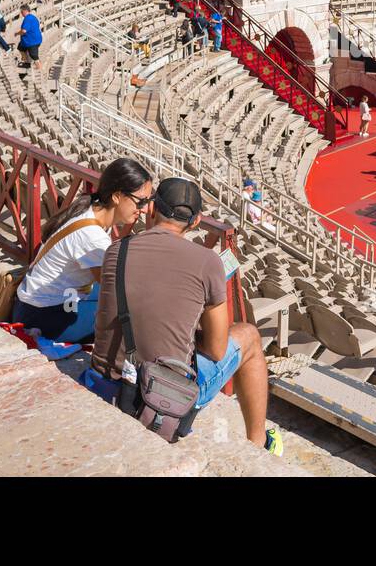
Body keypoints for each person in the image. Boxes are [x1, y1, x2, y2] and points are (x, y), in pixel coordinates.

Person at [90, 177, 279, 451]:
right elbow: (216, 349)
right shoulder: (208, 262)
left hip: (105, 381)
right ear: (196, 221)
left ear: (152, 208)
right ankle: (260, 442)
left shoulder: (116, 251)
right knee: (248, 335)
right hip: (158, 394)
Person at [14, 158, 153, 343]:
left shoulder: (91, 210)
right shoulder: (92, 236)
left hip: (33, 304)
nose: (143, 209)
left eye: (148, 201)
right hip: (43, 315)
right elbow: (114, 289)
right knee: (131, 314)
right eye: (140, 202)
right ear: (117, 196)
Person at [14, 3, 43, 70]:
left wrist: (17, 33)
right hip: (30, 40)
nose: (21, 13)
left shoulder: (27, 19)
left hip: (32, 41)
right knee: (20, 48)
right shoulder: (33, 17)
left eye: (21, 12)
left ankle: (39, 69)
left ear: (25, 11)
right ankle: (26, 62)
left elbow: (24, 31)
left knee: (34, 56)